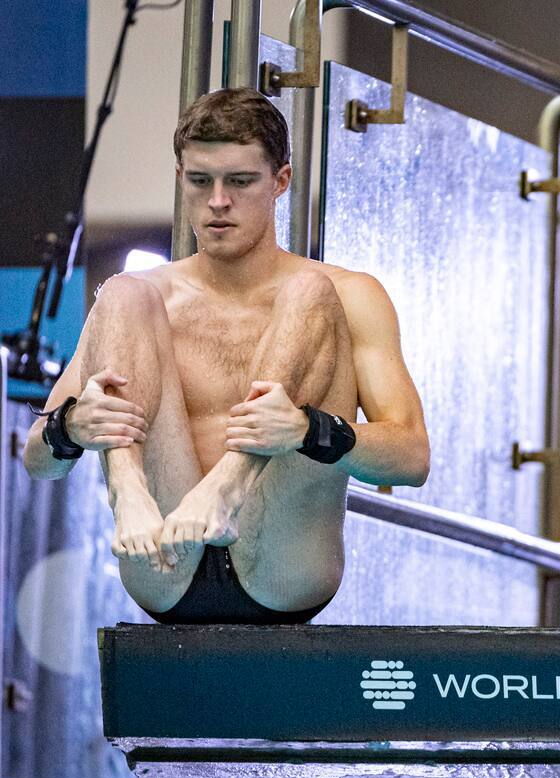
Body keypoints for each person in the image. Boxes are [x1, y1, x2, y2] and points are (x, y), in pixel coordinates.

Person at [22, 88, 430, 624]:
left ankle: (230, 481)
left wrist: (311, 431)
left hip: (284, 563)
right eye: (200, 181)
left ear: (279, 181)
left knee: (309, 291)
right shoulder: (148, 301)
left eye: (239, 182)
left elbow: (412, 458)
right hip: (165, 554)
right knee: (122, 290)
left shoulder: (349, 293)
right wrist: (72, 427)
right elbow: (39, 462)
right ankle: (127, 490)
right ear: (181, 179)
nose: (218, 201)